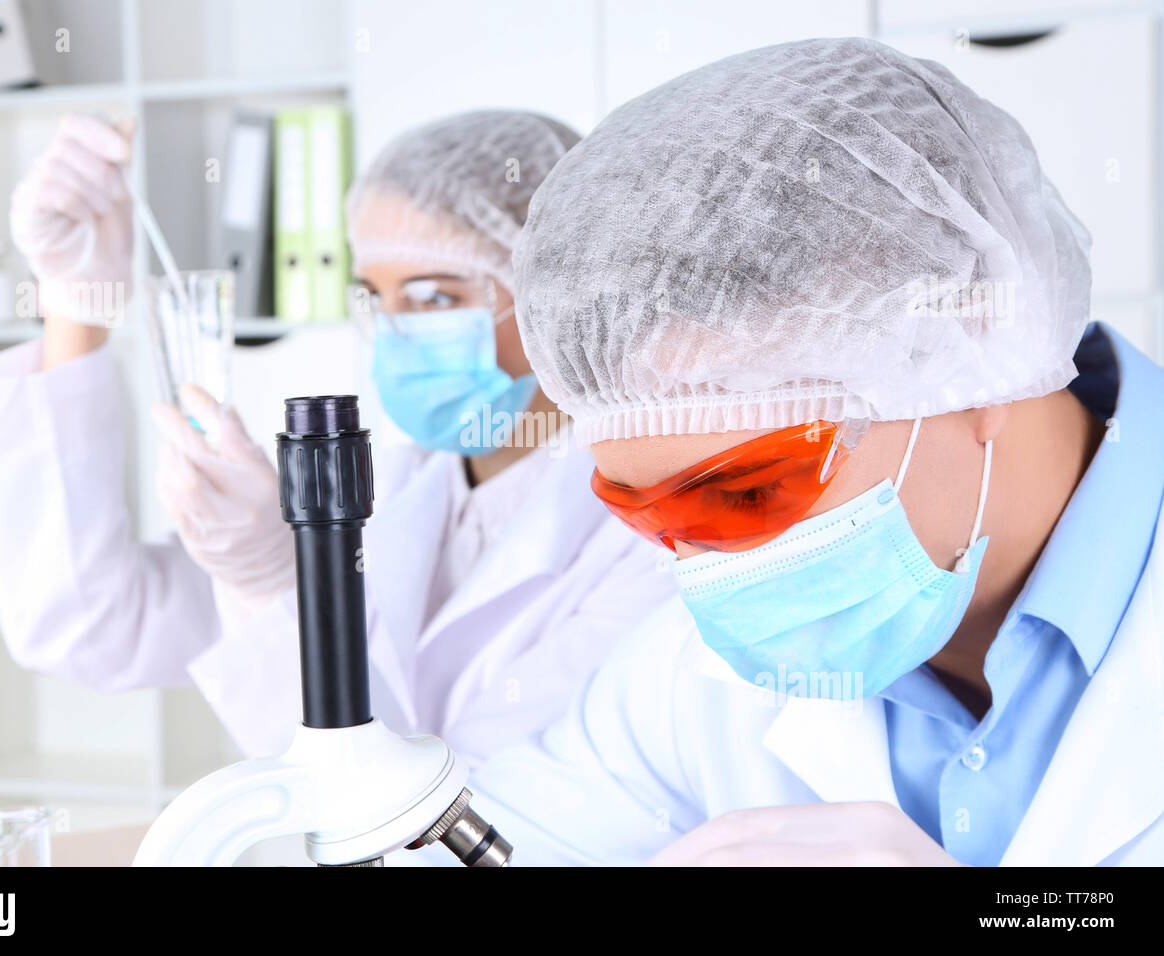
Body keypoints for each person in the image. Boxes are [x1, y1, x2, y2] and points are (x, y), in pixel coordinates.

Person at [462, 38, 1164, 866]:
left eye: (746, 494)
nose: (709, 573)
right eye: (650, 517)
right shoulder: (682, 682)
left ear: (975, 348)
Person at [0, 110, 672, 762]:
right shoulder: (387, 489)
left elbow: (455, 826)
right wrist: (74, 304)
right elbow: (93, 625)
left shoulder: (650, 542)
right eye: (375, 295)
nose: (395, 328)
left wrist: (279, 587)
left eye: (434, 297)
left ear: (564, 292)